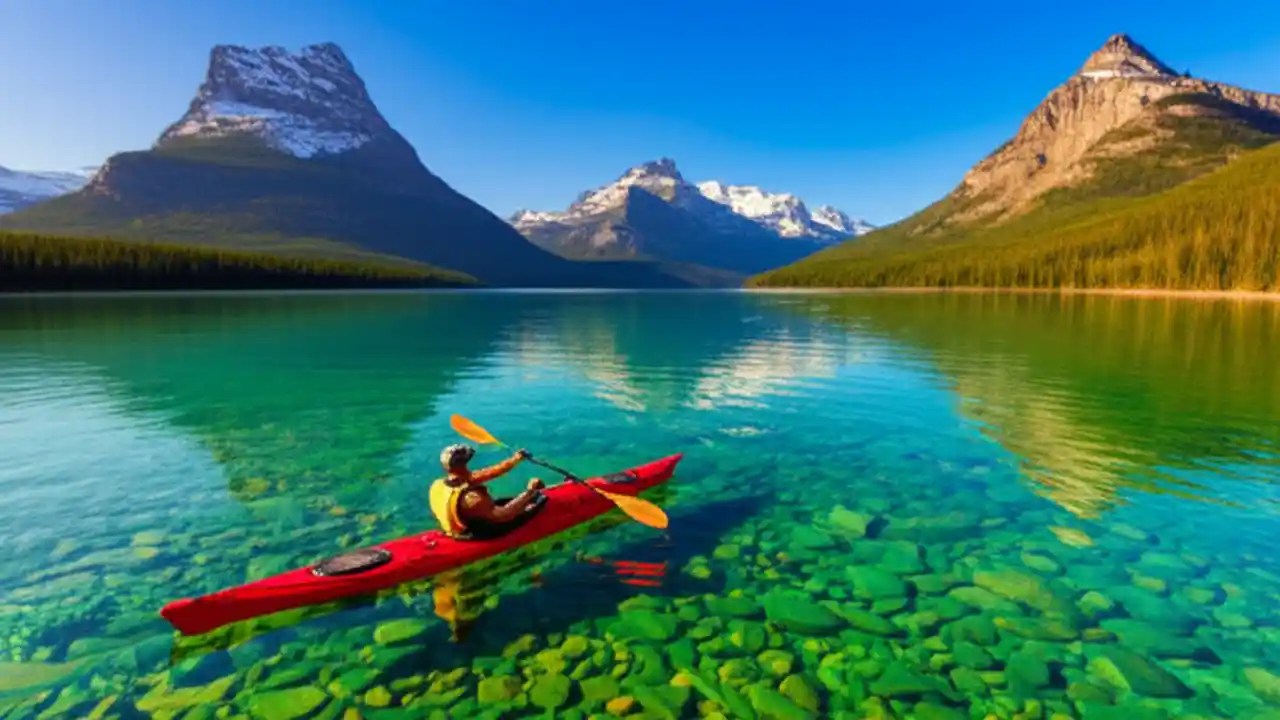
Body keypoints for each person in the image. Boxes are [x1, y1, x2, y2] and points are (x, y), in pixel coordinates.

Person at [429, 443, 547, 540]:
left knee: (509, 500)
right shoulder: (472, 499)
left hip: (459, 526)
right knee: (538, 501)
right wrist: (530, 491)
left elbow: (490, 472)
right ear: (462, 465)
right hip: (479, 532)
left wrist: (516, 459)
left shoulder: (438, 484)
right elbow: (505, 515)